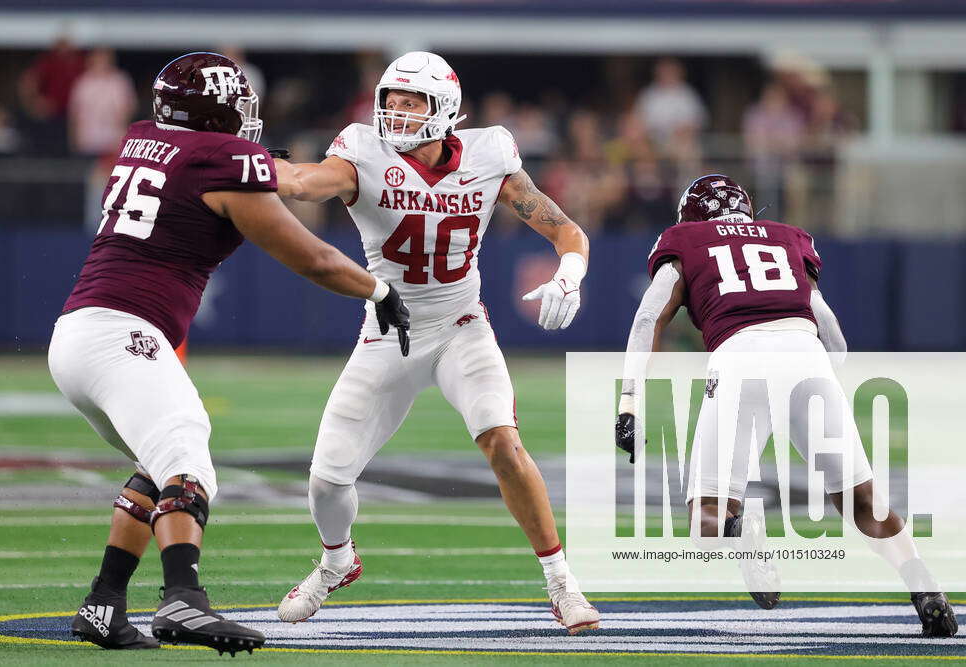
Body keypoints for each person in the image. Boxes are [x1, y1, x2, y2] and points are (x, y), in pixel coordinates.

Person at [48, 51, 411, 654]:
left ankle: (103, 602)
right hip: (122, 337)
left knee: (160, 464)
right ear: (216, 110)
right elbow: (310, 256)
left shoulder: (144, 138)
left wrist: (270, 170)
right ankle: (182, 602)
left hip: (78, 336)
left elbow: (231, 172)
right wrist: (378, 288)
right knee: (190, 457)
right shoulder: (223, 160)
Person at [273, 51, 600, 634]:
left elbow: (563, 228)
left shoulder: (489, 153)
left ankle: (561, 583)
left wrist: (570, 272)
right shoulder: (360, 152)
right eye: (389, 100)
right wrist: (253, 166)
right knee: (326, 480)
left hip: (459, 326)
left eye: (410, 101)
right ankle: (335, 561)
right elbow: (304, 182)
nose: (395, 112)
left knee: (502, 440)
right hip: (387, 331)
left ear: (444, 109)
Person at [614, 174, 958, 637]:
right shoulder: (786, 239)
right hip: (807, 356)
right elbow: (834, 339)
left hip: (739, 360)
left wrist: (630, 403)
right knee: (862, 500)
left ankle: (742, 535)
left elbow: (648, 317)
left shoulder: (684, 240)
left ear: (692, 218)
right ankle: (925, 585)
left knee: (705, 520)